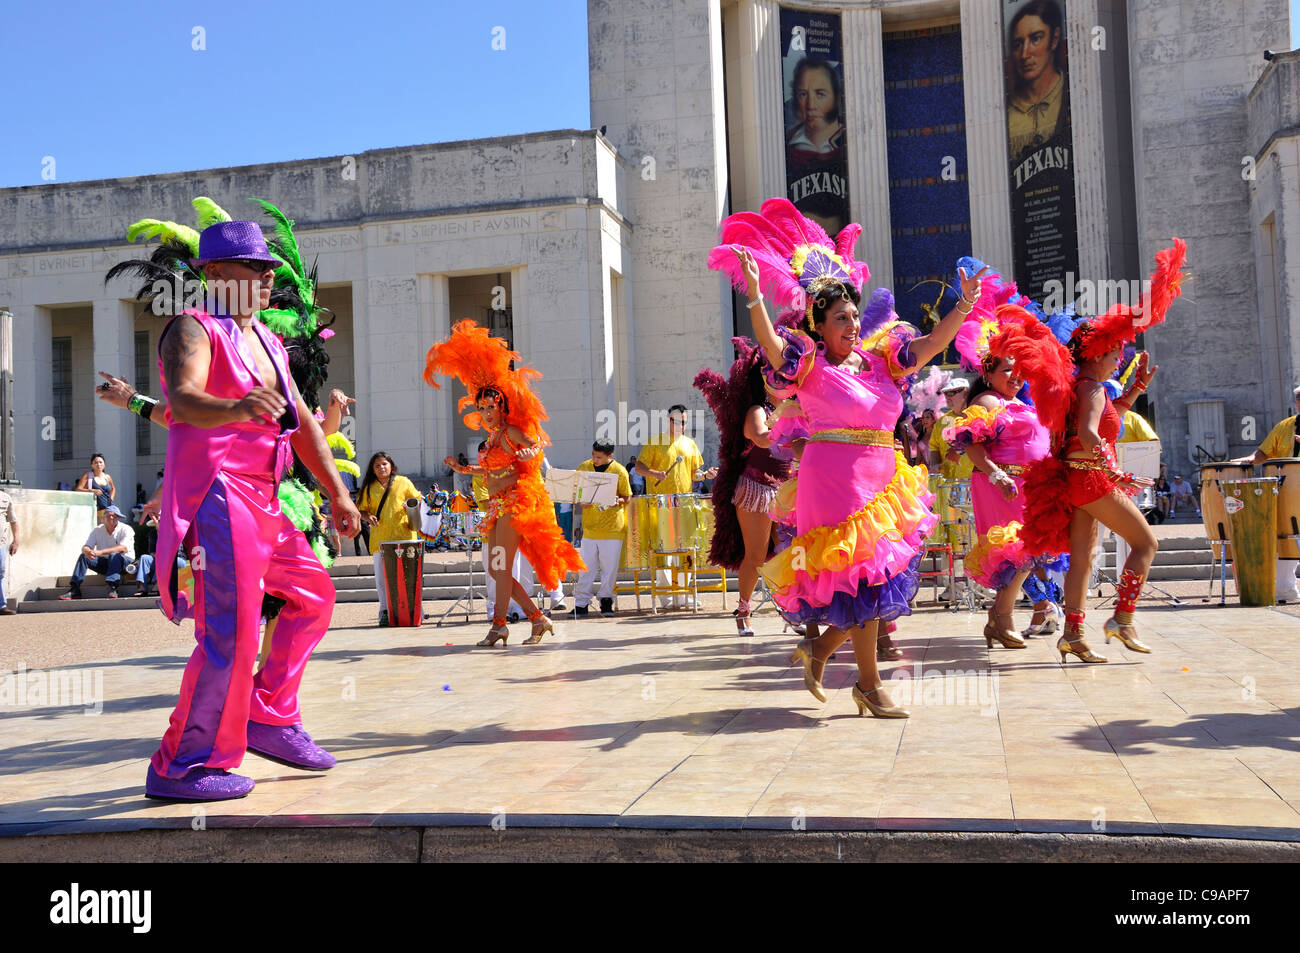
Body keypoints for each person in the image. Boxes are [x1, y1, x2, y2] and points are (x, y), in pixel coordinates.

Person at [710, 197, 987, 718]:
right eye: (841, 318)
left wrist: (964, 305)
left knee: (873, 580)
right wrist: (754, 299)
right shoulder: (808, 364)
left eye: (855, 316)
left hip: (884, 482)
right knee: (863, 575)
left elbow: (931, 343)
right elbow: (771, 348)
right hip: (834, 481)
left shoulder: (884, 360)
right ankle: (868, 684)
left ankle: (824, 655)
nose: (853, 324)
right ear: (820, 323)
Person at [141, 220, 361, 801]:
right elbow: (183, 400)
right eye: (254, 266)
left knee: (315, 594)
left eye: (269, 268)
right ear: (215, 274)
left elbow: (305, 422)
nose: (269, 277)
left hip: (265, 498)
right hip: (217, 493)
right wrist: (236, 406)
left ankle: (268, 713)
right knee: (231, 635)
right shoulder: (191, 329)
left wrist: (338, 492)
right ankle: (182, 764)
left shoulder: (267, 339)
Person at [1015, 238, 1186, 663]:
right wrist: (1115, 473)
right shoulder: (1092, 387)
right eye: (1116, 352)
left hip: (1076, 481)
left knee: (1083, 560)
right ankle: (1122, 619)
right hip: (1092, 479)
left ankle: (1073, 634)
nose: (1120, 357)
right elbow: (1093, 433)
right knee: (1146, 544)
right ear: (1099, 352)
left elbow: (1104, 420)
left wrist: (1133, 392)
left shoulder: (1086, 387)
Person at [428, 320, 583, 647]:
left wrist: (531, 451)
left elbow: (536, 444)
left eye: (490, 407)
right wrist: (463, 467)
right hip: (496, 507)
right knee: (497, 568)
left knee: (499, 565)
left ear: (502, 406)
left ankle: (500, 625)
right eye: (481, 407)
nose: (485, 412)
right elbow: (490, 472)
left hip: (515, 504)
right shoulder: (492, 437)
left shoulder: (511, 432)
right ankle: (536, 619)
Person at [944, 299, 1068, 648]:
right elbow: (969, 443)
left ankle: (996, 621)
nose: (1015, 376)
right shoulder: (986, 402)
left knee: (1025, 552)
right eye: (1006, 371)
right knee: (1018, 551)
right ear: (987, 374)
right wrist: (998, 474)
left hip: (1029, 486)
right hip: (1002, 486)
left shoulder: (1018, 403)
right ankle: (1004, 619)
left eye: (1018, 370)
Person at [694, 340, 793, 635]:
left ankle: (792, 607)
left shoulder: (796, 409)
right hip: (757, 490)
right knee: (756, 555)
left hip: (788, 490)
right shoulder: (758, 410)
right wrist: (787, 420)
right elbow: (760, 437)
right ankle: (743, 609)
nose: (784, 381)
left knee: (788, 552)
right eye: (778, 377)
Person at [636, 404, 718, 609]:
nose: (681, 424)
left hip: (685, 503)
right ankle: (666, 595)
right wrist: (655, 474)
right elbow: (639, 467)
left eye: (684, 421)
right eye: (677, 421)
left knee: (687, 549)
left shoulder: (690, 444)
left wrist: (706, 475)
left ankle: (684, 593)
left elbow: (695, 474)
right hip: (660, 504)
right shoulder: (655, 443)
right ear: (668, 421)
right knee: (664, 551)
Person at [1236, 385, 1300, 600]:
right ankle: (1285, 589)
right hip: (1286, 491)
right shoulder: (1285, 426)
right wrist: (1250, 459)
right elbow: (1264, 452)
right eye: (1298, 398)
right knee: (1283, 534)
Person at [356, 451, 422, 627]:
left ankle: (414, 610)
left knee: (410, 575)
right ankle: (385, 611)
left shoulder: (403, 482)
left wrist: (409, 505)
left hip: (405, 535)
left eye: (384, 464)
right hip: (381, 537)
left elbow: (417, 500)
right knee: (381, 578)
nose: (381, 468)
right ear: (372, 469)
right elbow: (360, 510)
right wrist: (367, 517)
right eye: (377, 465)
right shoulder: (369, 487)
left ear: (391, 465)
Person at [573, 440, 633, 617]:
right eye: (593, 455)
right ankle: (581, 603)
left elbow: (627, 497)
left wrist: (617, 500)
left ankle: (606, 600)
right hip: (590, 528)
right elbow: (578, 493)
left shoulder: (620, 470)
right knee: (586, 568)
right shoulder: (584, 467)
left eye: (599, 457)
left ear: (610, 456)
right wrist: (581, 500)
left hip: (613, 528)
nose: (595, 459)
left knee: (609, 569)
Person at [1006, 0, 1069, 163]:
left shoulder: (1070, 94)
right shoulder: (1007, 110)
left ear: (1054, 39)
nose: (1025, 54)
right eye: (1018, 44)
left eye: (1036, 38)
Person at [58, 505, 134, 599]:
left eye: (114, 516)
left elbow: (123, 548)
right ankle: (75, 589)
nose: (111, 517)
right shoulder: (97, 530)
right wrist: (87, 551)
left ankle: (113, 588)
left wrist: (100, 552)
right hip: (106, 563)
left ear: (118, 517)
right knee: (84, 557)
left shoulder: (126, 529)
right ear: (103, 517)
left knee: (114, 555)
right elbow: (86, 546)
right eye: (108, 515)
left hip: (125, 564)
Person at [75, 453, 116, 523]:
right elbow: (78, 489)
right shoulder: (87, 475)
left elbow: (113, 488)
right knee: (100, 531)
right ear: (92, 465)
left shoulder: (107, 477)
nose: (98, 464)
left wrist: (111, 498)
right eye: (96, 462)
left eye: (100, 462)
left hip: (109, 510)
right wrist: (92, 490)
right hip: (96, 511)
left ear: (104, 464)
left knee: (111, 531)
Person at [0, 489, 19, 615]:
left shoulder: (5, 497)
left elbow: (13, 521)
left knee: (0, 572)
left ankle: (1, 606)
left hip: (1, 543)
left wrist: (16, 541)